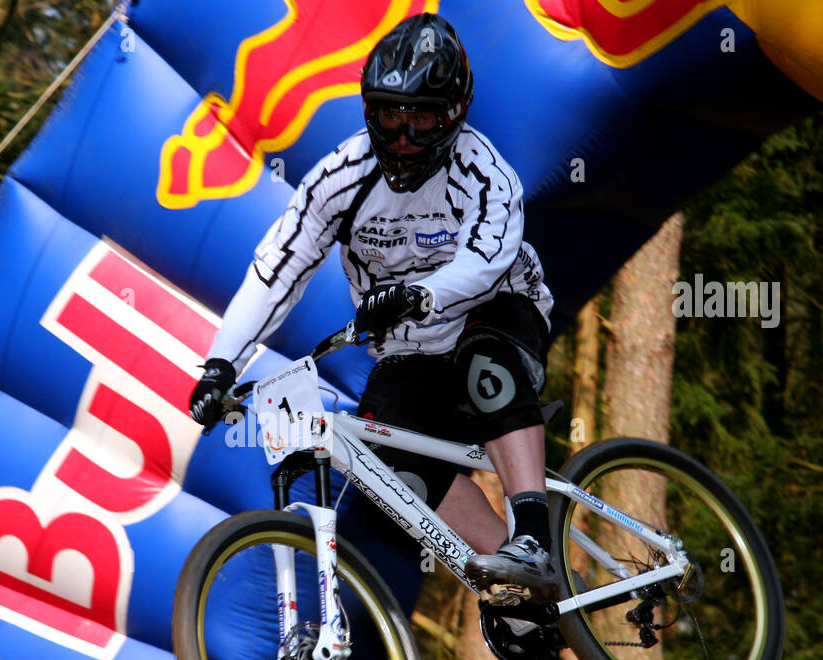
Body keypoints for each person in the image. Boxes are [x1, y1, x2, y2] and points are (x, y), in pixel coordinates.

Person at [188, 12, 557, 600]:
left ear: (455, 114)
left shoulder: (483, 170)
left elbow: (490, 256)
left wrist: (425, 293)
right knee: (391, 471)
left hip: (497, 308)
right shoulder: (343, 176)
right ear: (369, 111)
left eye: (422, 117)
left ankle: (534, 537)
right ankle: (516, 584)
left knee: (485, 360)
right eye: (391, 115)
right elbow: (277, 267)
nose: (404, 135)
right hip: (411, 347)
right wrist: (220, 365)